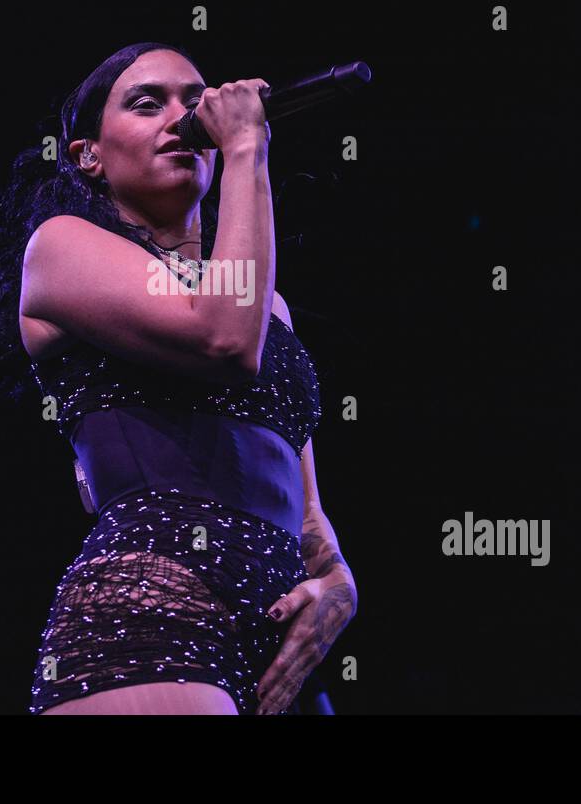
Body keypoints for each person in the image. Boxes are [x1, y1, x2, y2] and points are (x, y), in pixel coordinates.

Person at [19, 43, 358, 714]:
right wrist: (245, 152)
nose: (183, 117)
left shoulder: (270, 309)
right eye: (148, 104)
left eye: (194, 102)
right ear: (89, 154)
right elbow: (222, 339)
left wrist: (339, 582)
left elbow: (302, 495)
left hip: (280, 632)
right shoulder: (61, 250)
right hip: (148, 613)